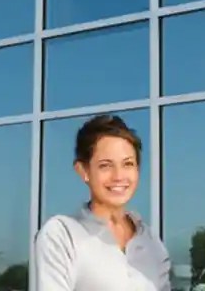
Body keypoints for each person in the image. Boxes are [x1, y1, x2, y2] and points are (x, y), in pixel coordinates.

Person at [35, 114, 172, 290]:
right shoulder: (61, 235)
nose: (118, 176)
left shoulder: (151, 242)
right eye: (105, 165)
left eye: (128, 164)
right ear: (83, 170)